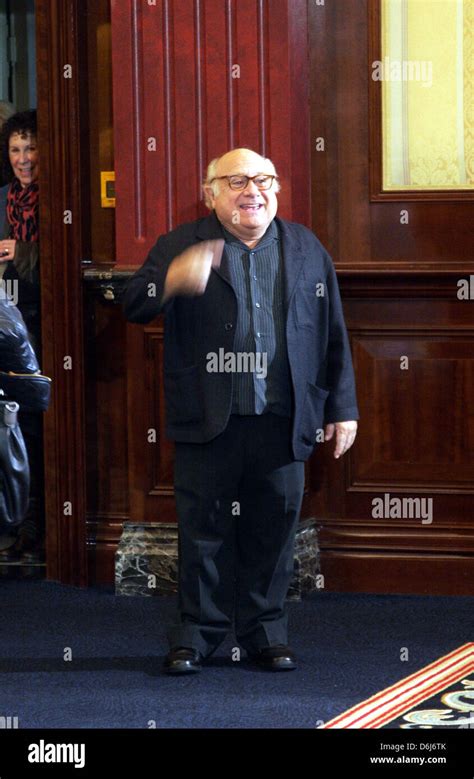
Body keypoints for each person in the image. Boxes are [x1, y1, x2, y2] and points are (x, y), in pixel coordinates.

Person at [123, 148, 359, 674]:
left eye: (265, 179)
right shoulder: (180, 243)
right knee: (201, 531)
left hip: (282, 418)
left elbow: (332, 333)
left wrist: (342, 408)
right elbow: (133, 302)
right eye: (237, 181)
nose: (254, 190)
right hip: (209, 418)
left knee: (273, 532)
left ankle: (266, 633)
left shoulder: (305, 248)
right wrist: (171, 281)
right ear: (210, 193)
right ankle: (196, 636)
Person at [0, 110, 43, 562]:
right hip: (3, 325)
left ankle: (34, 524)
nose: (24, 158)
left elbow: (66, 263)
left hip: (43, 324)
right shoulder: (2, 199)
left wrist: (25, 251)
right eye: (16, 149)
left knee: (33, 425)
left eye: (31, 148)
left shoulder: (60, 199)